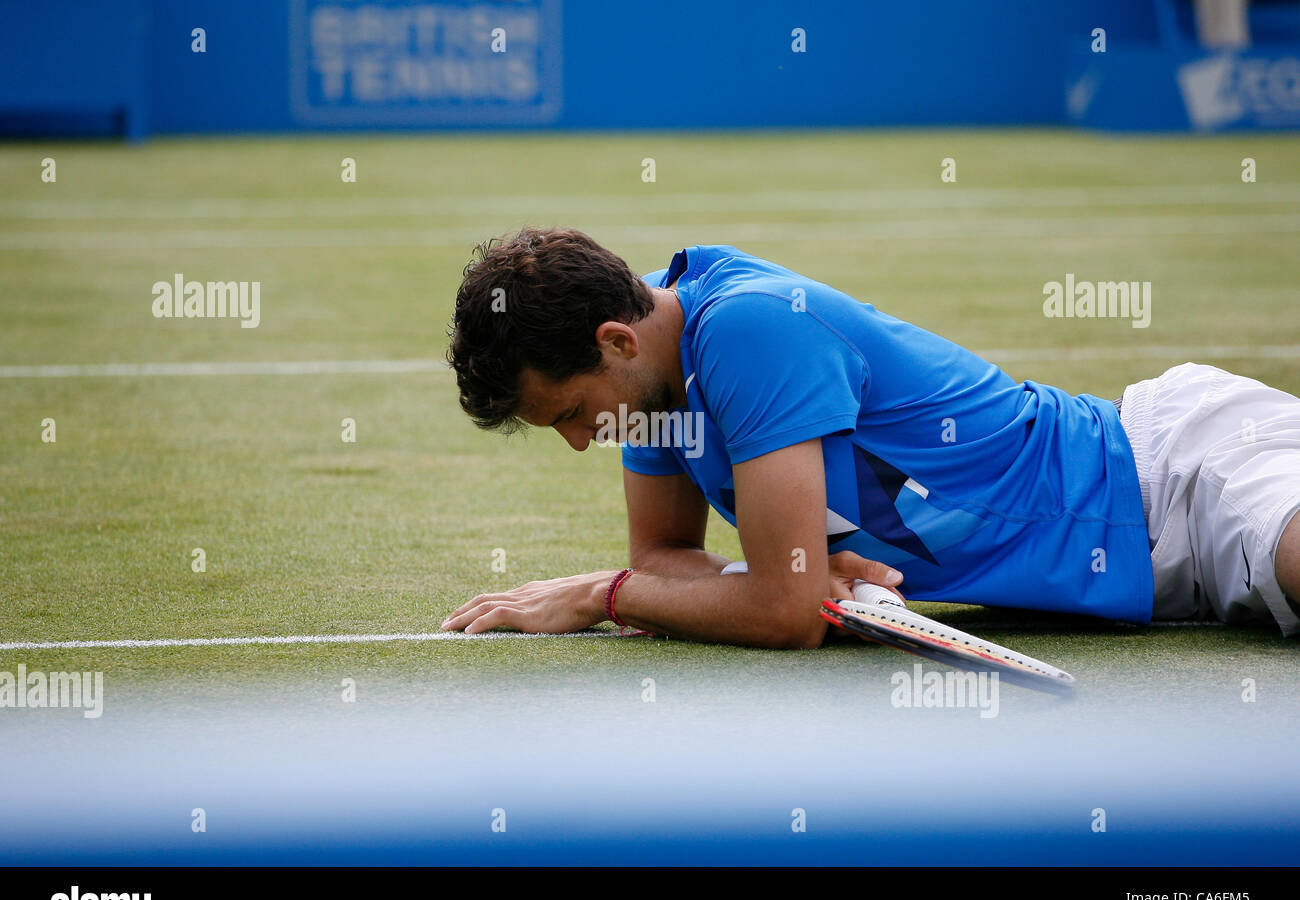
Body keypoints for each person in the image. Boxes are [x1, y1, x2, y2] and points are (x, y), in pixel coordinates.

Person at [441, 227, 1300, 647]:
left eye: (568, 414)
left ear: (614, 343)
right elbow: (670, 556)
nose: (580, 443)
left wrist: (606, 594)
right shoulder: (652, 379)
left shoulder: (746, 330)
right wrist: (803, 567)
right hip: (1148, 574)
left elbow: (783, 614)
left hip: (1174, 470)